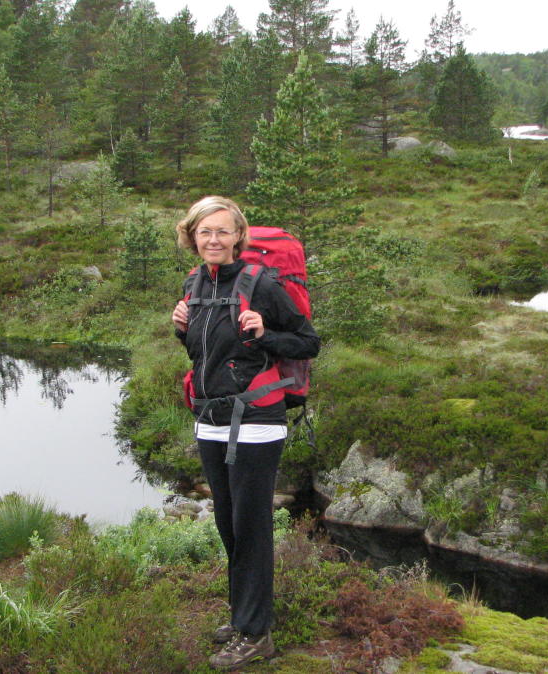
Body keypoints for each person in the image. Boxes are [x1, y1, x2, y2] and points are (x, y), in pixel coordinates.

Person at [171, 196, 319, 670]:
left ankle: (256, 635)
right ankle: (243, 616)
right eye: (204, 231)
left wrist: (264, 333)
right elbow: (207, 354)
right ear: (192, 237)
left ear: (239, 236)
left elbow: (308, 342)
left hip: (255, 421)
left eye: (222, 231)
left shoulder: (262, 283)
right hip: (210, 420)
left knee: (251, 527)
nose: (213, 239)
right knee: (228, 524)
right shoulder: (194, 283)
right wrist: (182, 329)